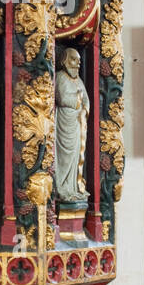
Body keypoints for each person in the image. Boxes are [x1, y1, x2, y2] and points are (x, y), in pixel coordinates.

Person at [55, 47, 90, 201]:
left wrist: (84, 110)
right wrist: (77, 100)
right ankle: (62, 187)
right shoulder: (61, 77)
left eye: (79, 61)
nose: (77, 64)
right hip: (64, 124)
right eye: (74, 60)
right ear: (65, 60)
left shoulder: (78, 80)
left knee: (76, 155)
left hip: (77, 124)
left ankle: (73, 187)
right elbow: (62, 98)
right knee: (65, 157)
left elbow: (87, 99)